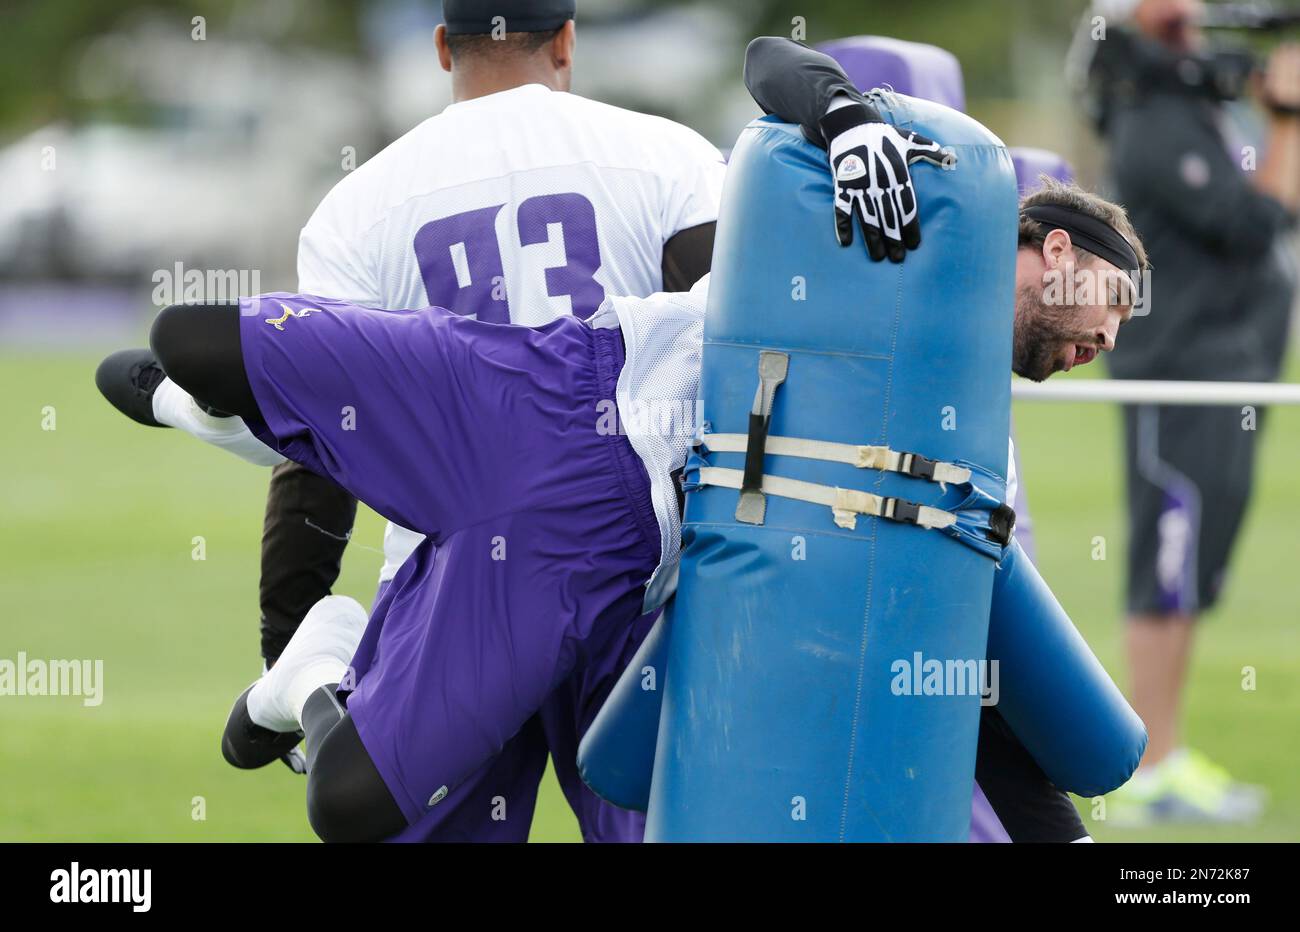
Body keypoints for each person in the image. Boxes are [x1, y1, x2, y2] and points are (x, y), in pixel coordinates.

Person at [95, 0, 725, 842]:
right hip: (638, 569)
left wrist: (288, 631)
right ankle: (198, 413)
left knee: (376, 805)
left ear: (441, 47)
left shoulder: (364, 203)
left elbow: (319, 443)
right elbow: (734, 361)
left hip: (447, 573)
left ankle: (197, 415)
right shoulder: (667, 154)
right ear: (569, 40)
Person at [1085, 0, 1299, 824]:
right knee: (1164, 568)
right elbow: (1256, 221)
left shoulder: (1193, 106)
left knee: (1194, 568)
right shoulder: (1152, 123)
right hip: (1178, 377)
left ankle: (1167, 757)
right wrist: (1285, 117)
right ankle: (1146, 769)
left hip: (1226, 378)